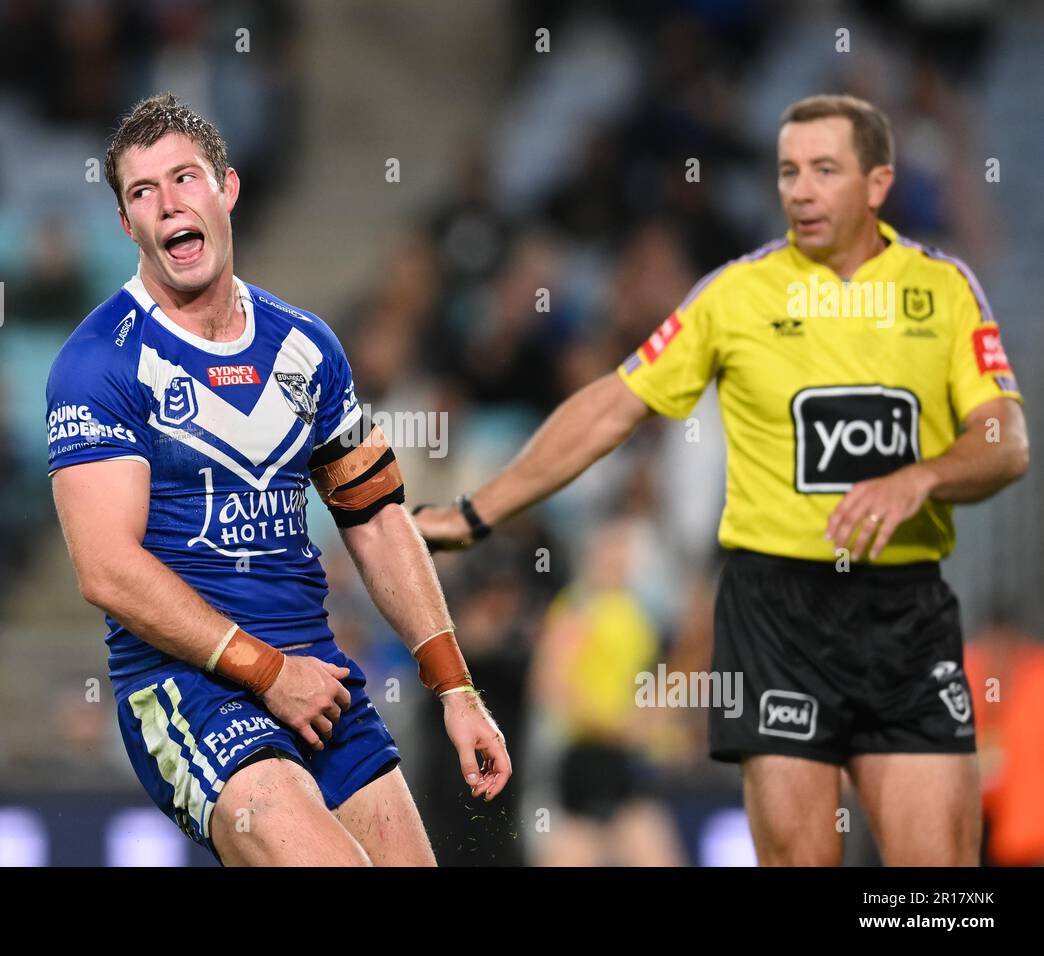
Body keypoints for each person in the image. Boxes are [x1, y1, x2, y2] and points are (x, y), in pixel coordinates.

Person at [416, 93, 1029, 866]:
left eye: (826, 170)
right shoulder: (735, 295)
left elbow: (1004, 441)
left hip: (902, 611)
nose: (800, 190)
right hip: (776, 616)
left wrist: (922, 478)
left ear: (878, 184)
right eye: (788, 171)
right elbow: (612, 407)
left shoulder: (942, 289)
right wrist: (474, 513)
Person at [47, 94, 510, 866]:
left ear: (226, 189)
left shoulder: (308, 347)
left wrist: (456, 689)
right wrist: (266, 671)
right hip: (187, 688)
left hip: (315, 675)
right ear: (128, 225)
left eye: (184, 179)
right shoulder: (99, 363)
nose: (167, 205)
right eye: (142, 193)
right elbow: (106, 569)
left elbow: (377, 519)